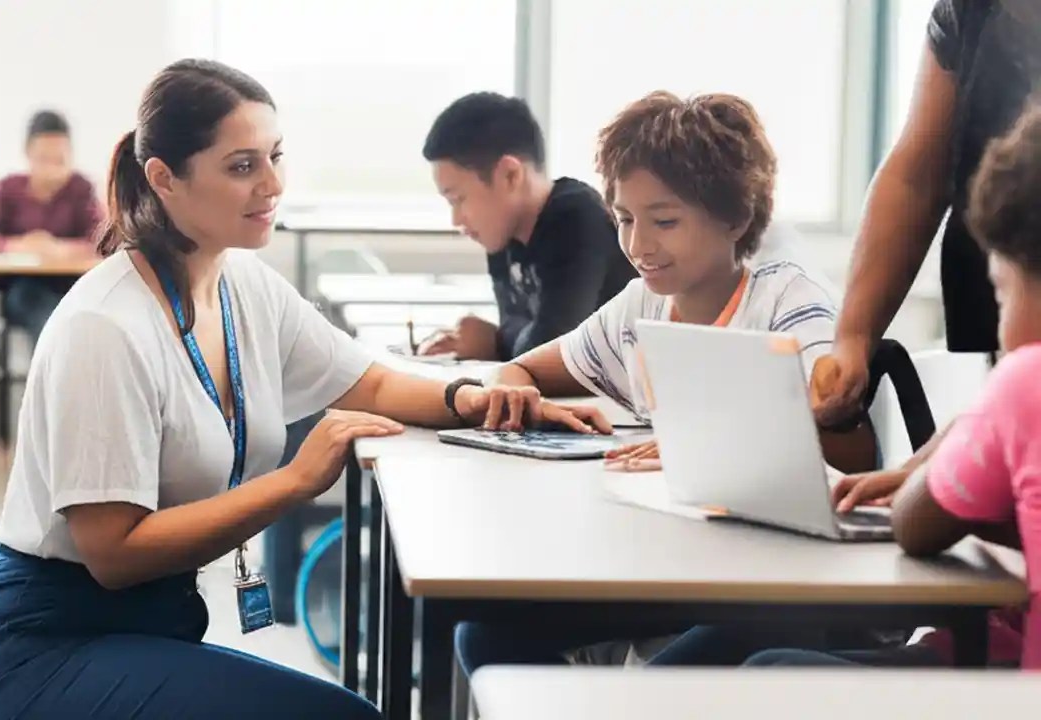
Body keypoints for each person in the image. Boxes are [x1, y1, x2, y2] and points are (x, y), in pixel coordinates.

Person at [0, 59, 605, 719]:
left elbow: (369, 380)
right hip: (45, 647)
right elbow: (114, 555)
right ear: (164, 179)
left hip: (146, 626)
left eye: (275, 157)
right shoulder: (106, 325)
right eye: (242, 166)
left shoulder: (243, 286)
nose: (272, 185)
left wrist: (471, 398)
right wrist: (295, 481)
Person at [452, 91, 878, 676]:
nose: (638, 245)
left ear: (737, 218)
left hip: (784, 580)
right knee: (485, 636)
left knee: (655, 687)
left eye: (665, 220)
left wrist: (706, 446)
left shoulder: (788, 301)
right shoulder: (639, 308)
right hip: (678, 564)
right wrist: (506, 383)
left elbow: (850, 451)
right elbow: (528, 366)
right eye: (625, 219)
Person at [691, 102, 1041, 670]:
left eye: (1003, 292)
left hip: (1008, 685)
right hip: (993, 653)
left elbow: (913, 522)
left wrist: (965, 436)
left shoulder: (1025, 385)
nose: (1001, 324)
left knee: (769, 673)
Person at [812, 0, 1041, 487]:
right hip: (998, 348)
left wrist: (928, 479)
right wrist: (854, 337)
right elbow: (916, 175)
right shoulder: (970, 12)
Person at [417, 92, 636, 361]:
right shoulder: (502, 233)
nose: (457, 220)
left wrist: (494, 341)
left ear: (510, 175)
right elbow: (514, 331)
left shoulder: (575, 217)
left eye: (458, 199)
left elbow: (549, 352)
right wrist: (491, 340)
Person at [0, 110, 104, 344]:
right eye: (43, 159)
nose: (52, 168)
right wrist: (17, 246)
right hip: (22, 289)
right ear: (28, 154)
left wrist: (59, 249)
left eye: (60, 160)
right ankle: (51, 371)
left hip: (71, 287)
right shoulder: (9, 189)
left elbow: (104, 241)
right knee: (38, 308)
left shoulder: (81, 189)